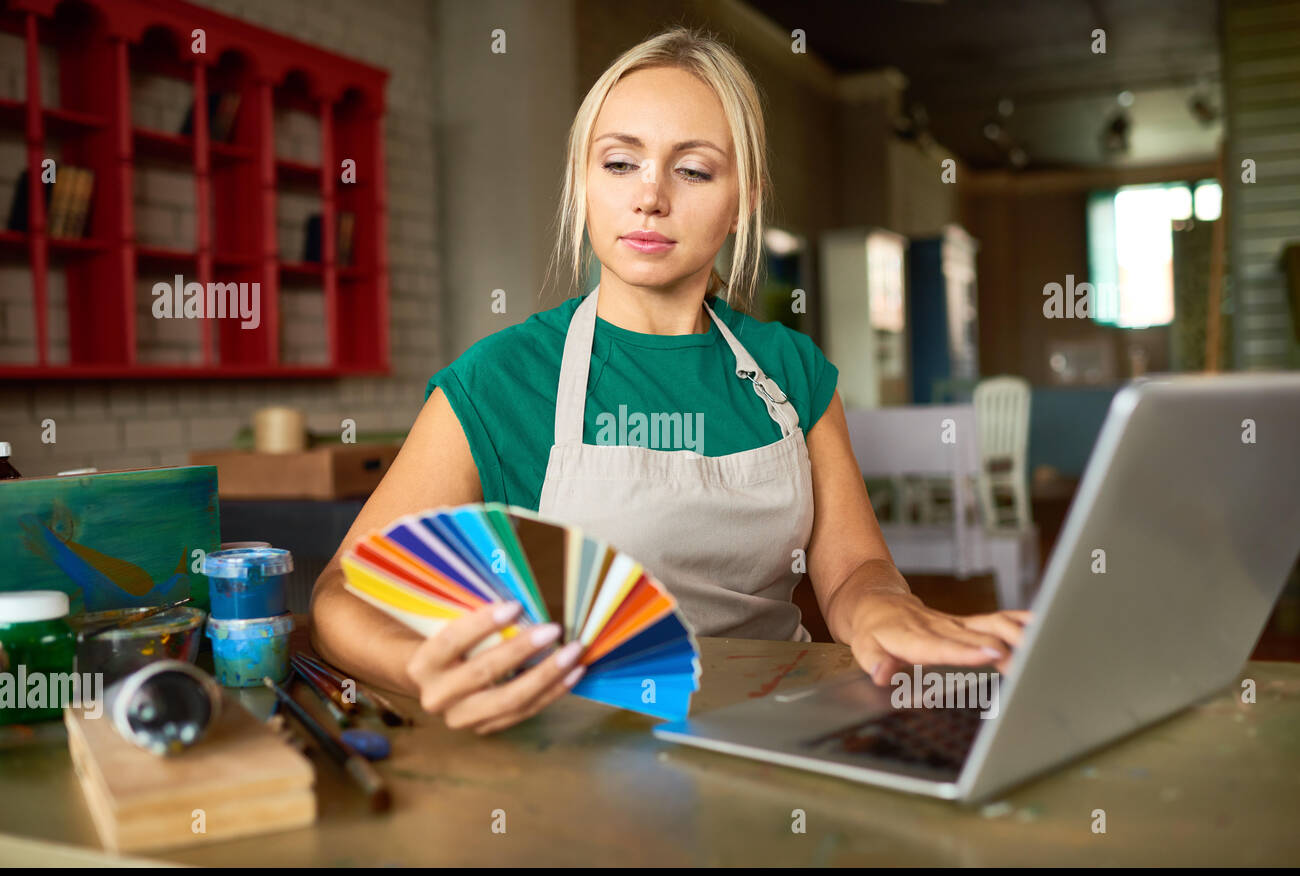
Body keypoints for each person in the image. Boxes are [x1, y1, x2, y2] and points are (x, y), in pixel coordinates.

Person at [310, 25, 1029, 735]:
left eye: (693, 169)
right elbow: (344, 591)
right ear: (583, 182)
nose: (650, 196)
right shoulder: (499, 380)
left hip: (773, 732)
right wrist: (423, 667)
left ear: (745, 197)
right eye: (620, 163)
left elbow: (852, 570)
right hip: (579, 747)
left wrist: (882, 608)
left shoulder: (790, 371)